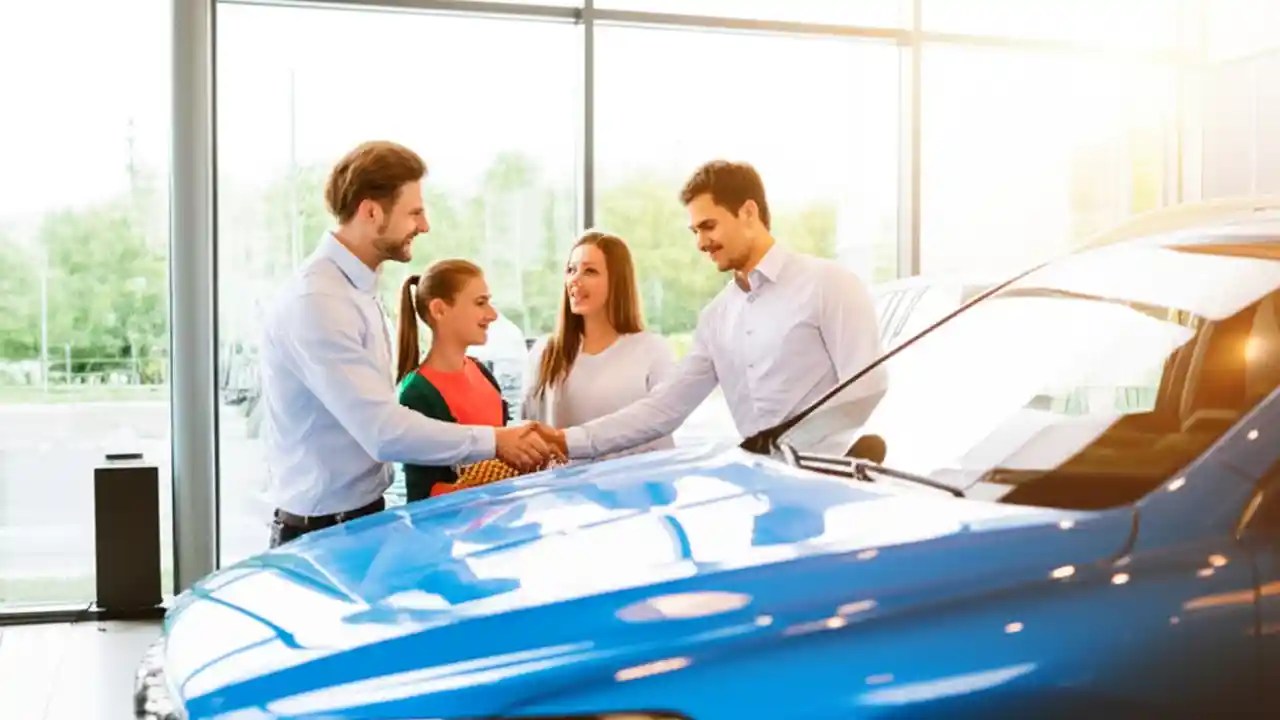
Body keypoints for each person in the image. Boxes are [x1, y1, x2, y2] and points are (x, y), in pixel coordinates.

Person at [259, 140, 553, 547]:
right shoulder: (319, 301)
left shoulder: (357, 290)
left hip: (357, 520)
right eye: (414, 212)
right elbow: (383, 431)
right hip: (319, 534)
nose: (425, 225)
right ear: (371, 211)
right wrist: (496, 441)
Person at [537, 159, 887, 459]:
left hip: (833, 487)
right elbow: (665, 407)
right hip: (763, 491)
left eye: (708, 226)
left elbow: (867, 386)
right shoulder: (717, 318)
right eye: (694, 231)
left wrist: (785, 447)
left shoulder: (829, 284)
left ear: (748, 212)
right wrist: (569, 440)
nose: (701, 243)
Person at [521, 231, 676, 457]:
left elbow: (663, 420)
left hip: (639, 486)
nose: (575, 279)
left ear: (617, 282)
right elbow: (528, 434)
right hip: (562, 489)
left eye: (590, 271)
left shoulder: (652, 350)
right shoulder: (545, 352)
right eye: (571, 270)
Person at [395, 259, 512, 501]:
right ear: (439, 310)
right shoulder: (417, 394)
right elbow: (423, 496)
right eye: (480, 303)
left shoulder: (483, 373)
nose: (492, 314)